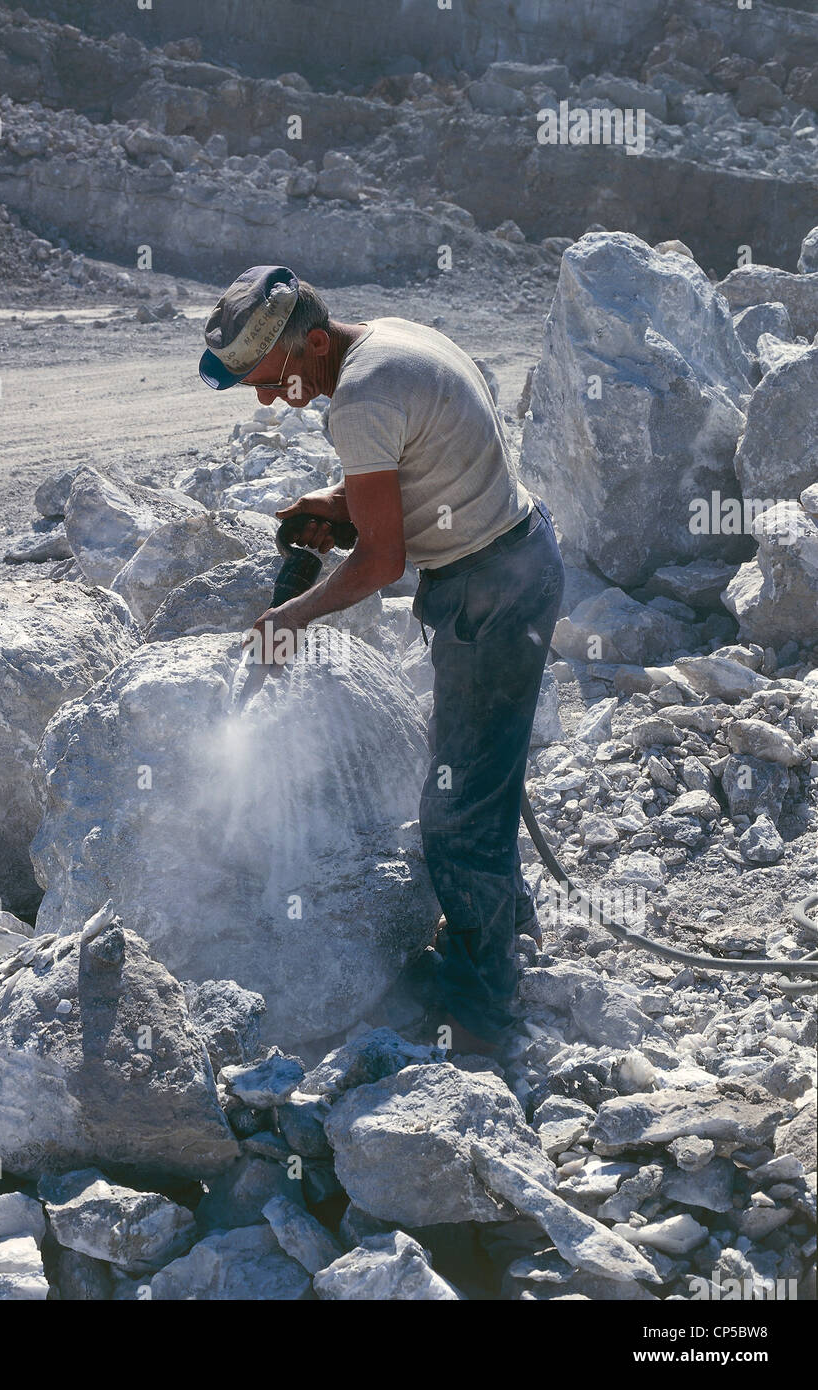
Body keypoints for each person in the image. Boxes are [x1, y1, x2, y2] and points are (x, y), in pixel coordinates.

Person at [199, 265, 565, 1052]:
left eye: (272, 380)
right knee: (468, 770)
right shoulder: (391, 340)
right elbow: (420, 463)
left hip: (489, 592)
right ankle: (508, 922)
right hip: (510, 562)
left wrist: (287, 617)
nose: (269, 400)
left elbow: (380, 566)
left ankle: (481, 1008)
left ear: (316, 342)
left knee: (456, 805)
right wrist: (339, 506)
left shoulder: (357, 401)